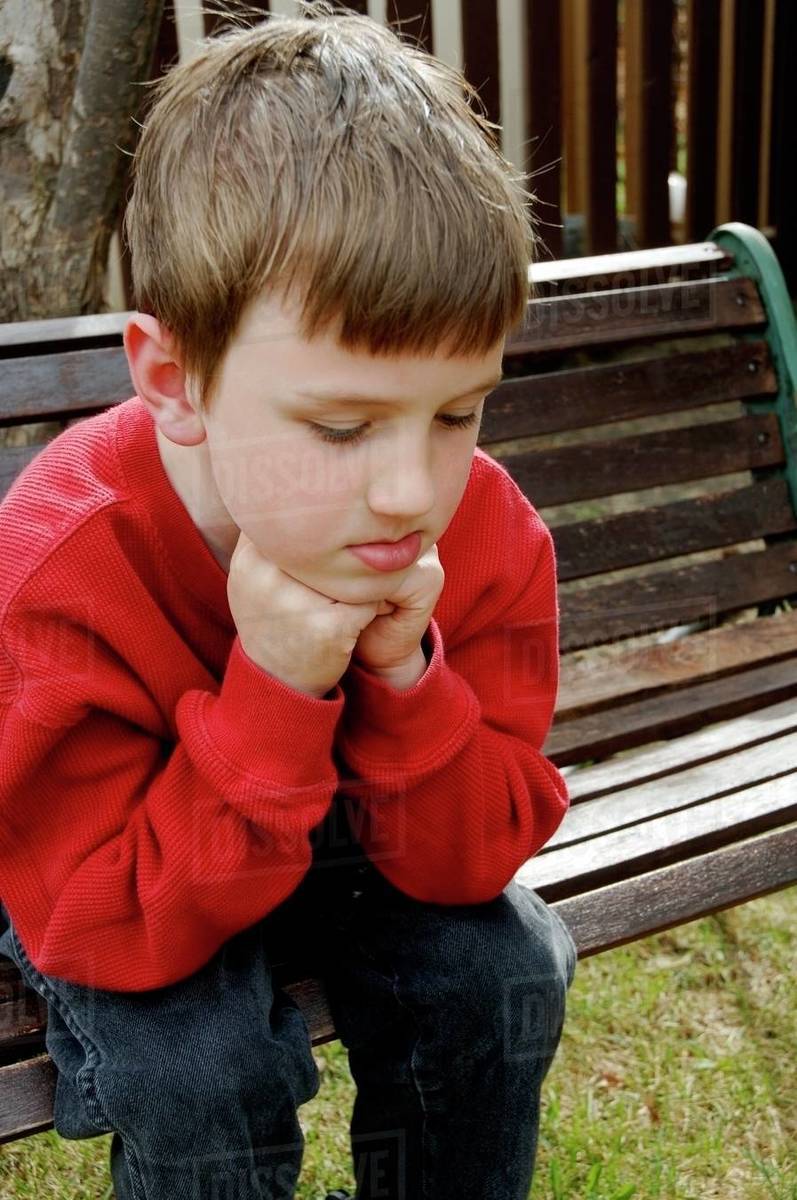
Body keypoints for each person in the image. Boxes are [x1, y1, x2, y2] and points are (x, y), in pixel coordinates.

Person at [0, 3, 577, 1197]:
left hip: (344, 844)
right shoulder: (63, 568)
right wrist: (271, 691)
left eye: (457, 411)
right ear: (175, 380)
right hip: (117, 874)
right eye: (341, 425)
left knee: (504, 968)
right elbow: (98, 923)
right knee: (199, 1069)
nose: (411, 489)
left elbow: (473, 861)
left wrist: (409, 681)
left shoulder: (484, 530)